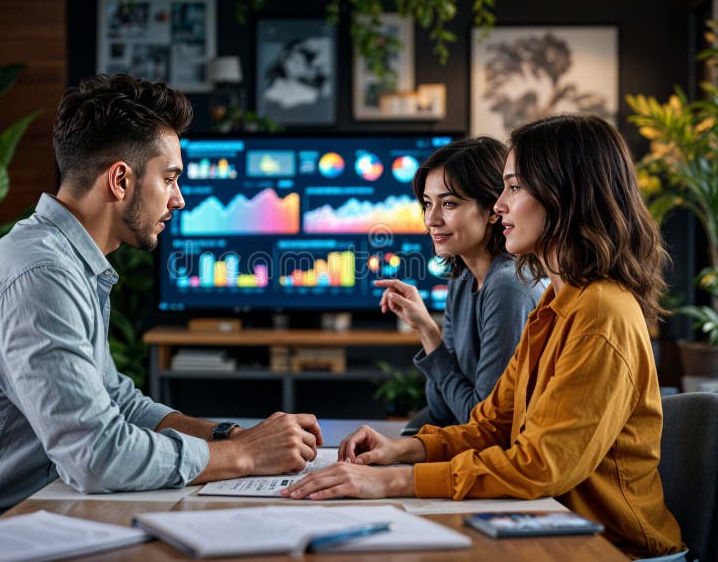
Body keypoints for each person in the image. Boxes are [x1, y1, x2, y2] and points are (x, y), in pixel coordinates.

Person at [0, 74, 322, 532]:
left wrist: (228, 435)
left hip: (39, 511)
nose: (179, 199)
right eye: (169, 178)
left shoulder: (67, 261)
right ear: (120, 179)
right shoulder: (41, 276)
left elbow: (116, 403)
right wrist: (244, 456)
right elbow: (97, 456)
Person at [284, 114, 685, 560]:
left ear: (564, 194)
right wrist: (403, 449)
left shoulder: (600, 312)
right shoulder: (558, 302)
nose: (499, 206)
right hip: (551, 526)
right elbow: (492, 425)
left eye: (514, 188)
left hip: (616, 549)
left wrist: (394, 479)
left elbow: (540, 465)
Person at [374, 137, 544, 429]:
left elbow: (482, 423)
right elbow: (441, 408)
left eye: (449, 203)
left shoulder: (507, 288)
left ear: (493, 210)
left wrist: (429, 333)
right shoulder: (462, 279)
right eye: (428, 204)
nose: (431, 219)